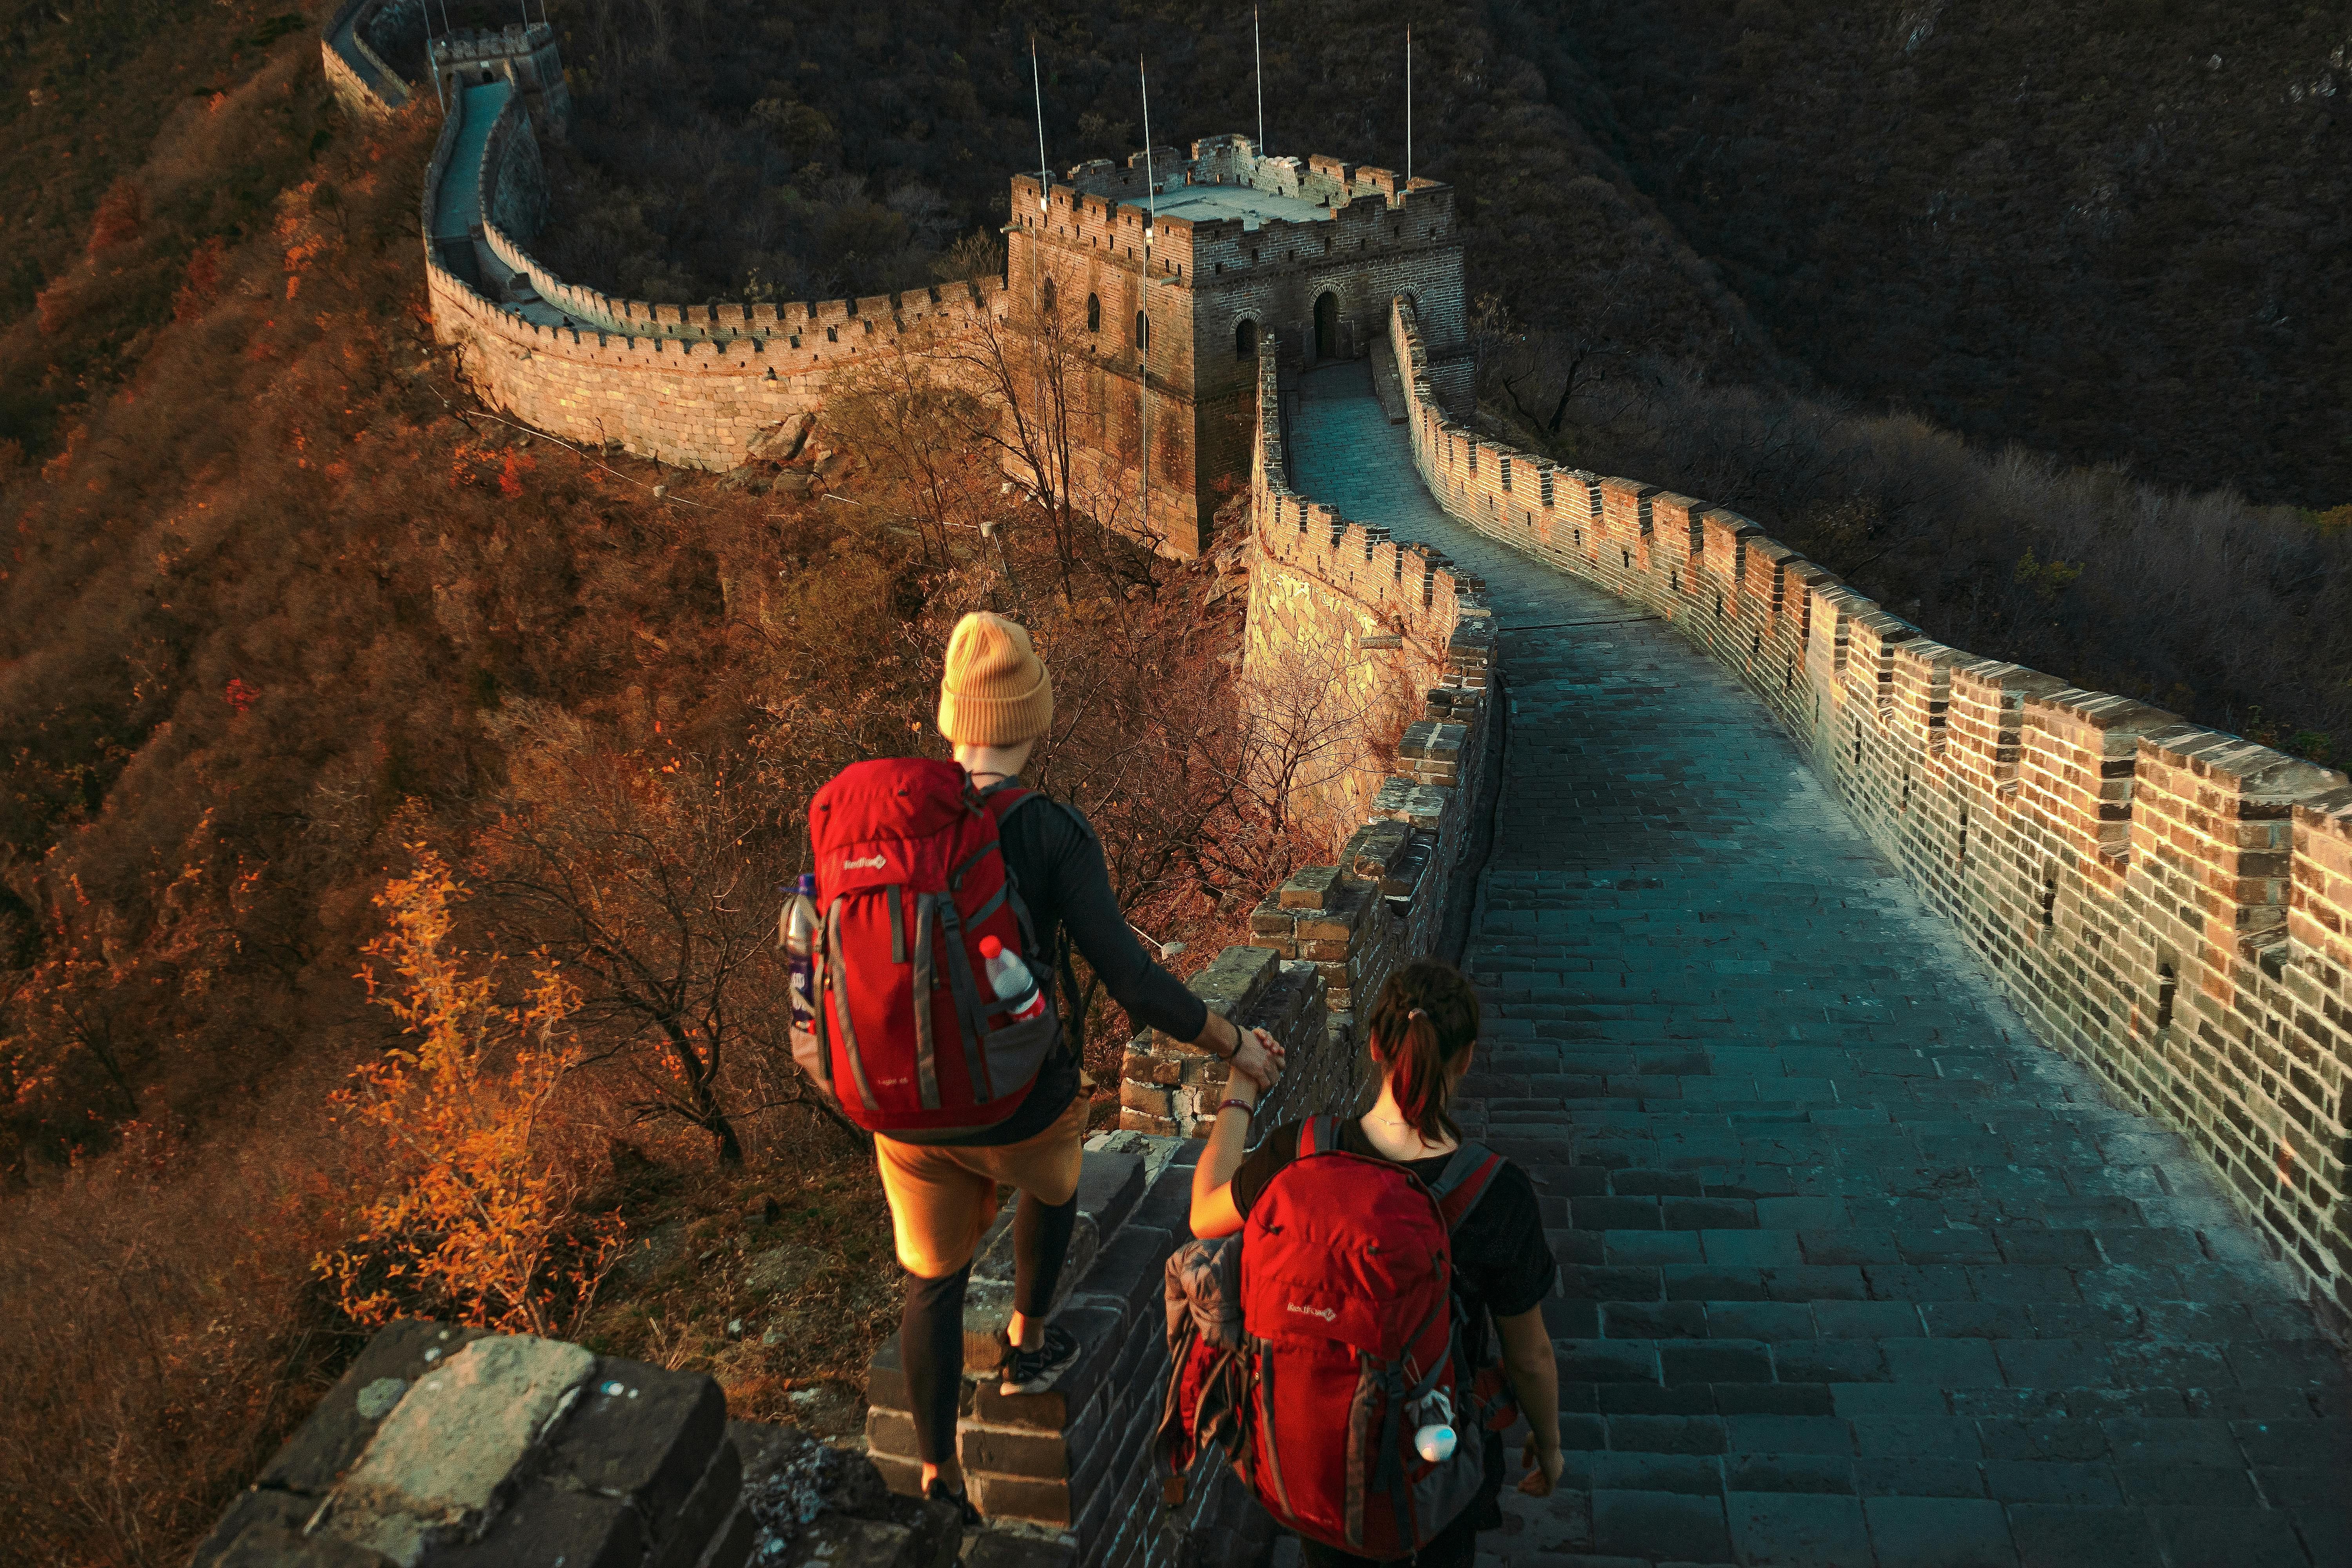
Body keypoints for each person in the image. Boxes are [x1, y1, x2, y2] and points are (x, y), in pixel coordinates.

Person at [883, 611, 1285, 1523]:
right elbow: (1133, 981)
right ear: (1033, 718)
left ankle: (936, 1477)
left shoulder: (899, 819)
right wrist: (1232, 1042)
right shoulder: (1050, 830)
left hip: (906, 1102)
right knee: (1059, 1179)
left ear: (951, 719)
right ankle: (1027, 1340)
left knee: (931, 1279)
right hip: (1017, 1102)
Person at [1187, 959, 1563, 1568]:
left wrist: (1241, 1088)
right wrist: (1549, 1444)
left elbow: (1204, 1212)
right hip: (1434, 1459)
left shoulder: (1300, 1152)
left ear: (1374, 1046)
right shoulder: (1495, 1193)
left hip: (1320, 1461)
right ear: (1466, 1058)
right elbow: (1530, 1356)